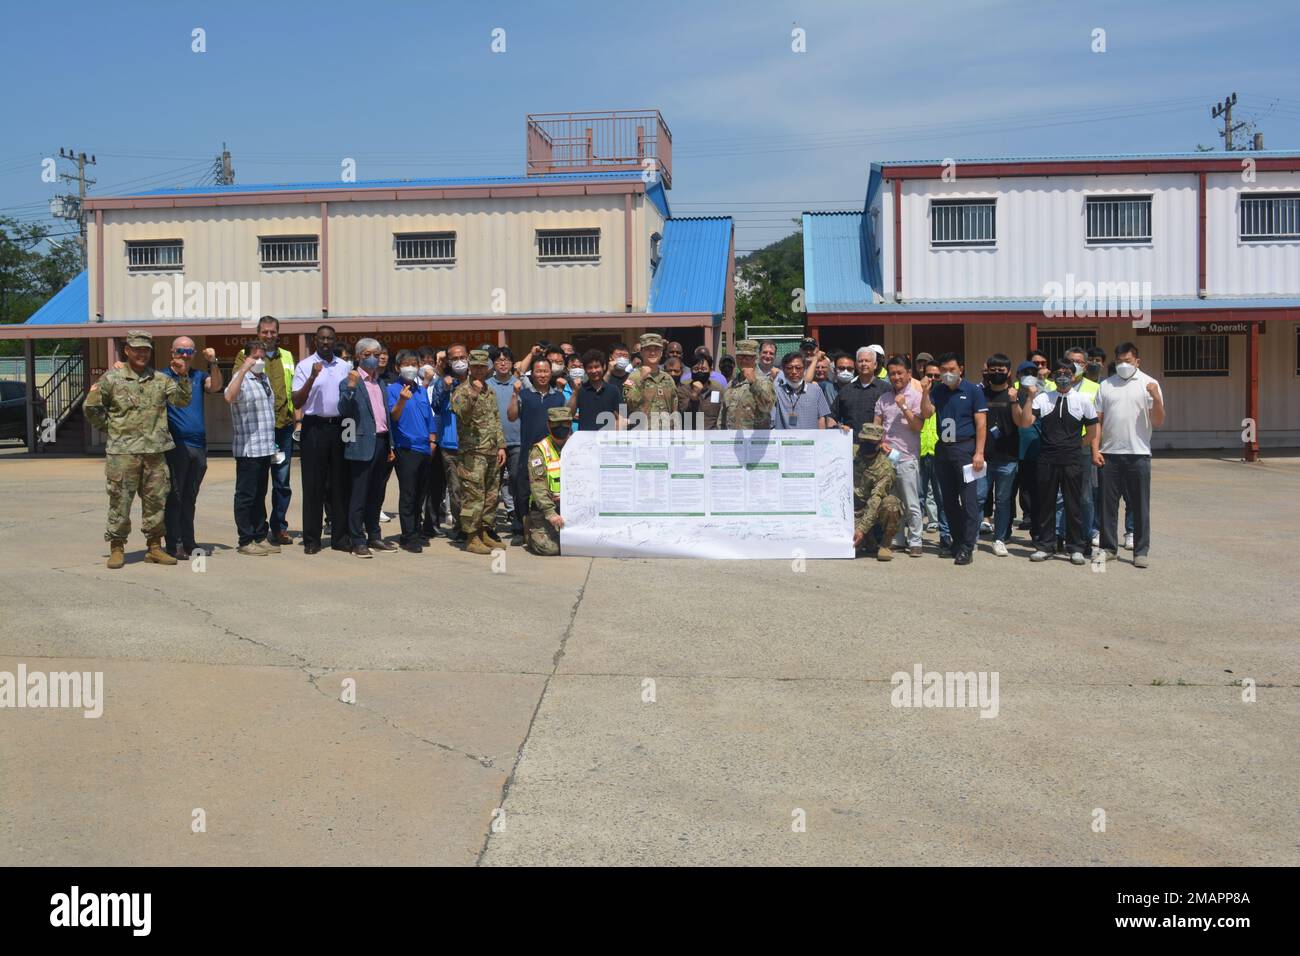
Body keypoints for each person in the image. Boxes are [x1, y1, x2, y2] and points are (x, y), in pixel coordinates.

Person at [84, 329, 191, 569]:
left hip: (154, 453)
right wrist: (111, 429)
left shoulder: (161, 380)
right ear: (127, 350)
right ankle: (117, 547)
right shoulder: (112, 379)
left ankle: (154, 547)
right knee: (120, 502)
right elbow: (91, 407)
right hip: (123, 454)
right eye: (137, 349)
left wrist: (183, 377)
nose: (142, 353)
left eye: (147, 349)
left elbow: (182, 401)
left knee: (155, 502)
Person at [1013, 358, 1100, 564]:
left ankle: (1076, 547)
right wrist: (1030, 398)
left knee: (1073, 504)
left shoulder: (1083, 400)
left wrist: (1077, 445)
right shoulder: (1043, 399)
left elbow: (1093, 431)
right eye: (1059, 372)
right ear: (1053, 375)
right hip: (1046, 459)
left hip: (1072, 460)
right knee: (1045, 503)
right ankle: (1045, 545)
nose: (1063, 376)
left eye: (1067, 373)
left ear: (1074, 375)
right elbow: (1026, 422)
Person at [1095, 342, 1164, 568]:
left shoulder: (1149, 384)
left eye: (1128, 360)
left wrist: (1156, 397)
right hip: (1110, 454)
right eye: (1119, 361)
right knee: (1107, 505)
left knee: (1139, 505)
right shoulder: (1106, 385)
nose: (1123, 365)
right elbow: (1098, 421)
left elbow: (1158, 420)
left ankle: (1141, 551)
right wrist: (1095, 448)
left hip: (1139, 454)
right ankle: (1108, 547)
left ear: (1137, 361)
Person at [233, 316, 295, 545]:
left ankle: (279, 527)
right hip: (258, 431)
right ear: (258, 333)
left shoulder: (287, 356)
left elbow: (291, 389)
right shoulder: (246, 354)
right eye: (265, 332)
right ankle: (253, 532)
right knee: (256, 486)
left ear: (278, 333)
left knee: (281, 482)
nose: (269, 336)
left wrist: (296, 419)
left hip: (283, 427)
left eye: (273, 332)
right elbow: (235, 390)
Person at [920, 352, 987, 566]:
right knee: (948, 501)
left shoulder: (973, 391)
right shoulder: (938, 391)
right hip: (944, 449)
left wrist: (979, 452)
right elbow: (927, 413)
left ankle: (968, 546)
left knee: (968, 501)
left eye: (952, 370)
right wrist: (924, 392)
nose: (948, 374)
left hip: (965, 448)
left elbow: (981, 424)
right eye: (944, 371)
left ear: (961, 369)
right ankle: (957, 542)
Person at [292, 325, 353, 554]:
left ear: (335, 341)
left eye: (329, 339)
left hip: (339, 427)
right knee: (313, 484)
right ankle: (311, 539)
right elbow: (297, 402)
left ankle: (339, 537)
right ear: (315, 341)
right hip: (314, 427)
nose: (326, 342)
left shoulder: (345, 366)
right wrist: (312, 378)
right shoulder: (305, 365)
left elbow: (351, 398)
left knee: (339, 484)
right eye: (321, 339)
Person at [162, 337, 222, 559]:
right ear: (172, 351)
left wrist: (213, 362)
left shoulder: (198, 375)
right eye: (180, 350)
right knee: (175, 496)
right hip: (176, 444)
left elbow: (215, 387)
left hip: (199, 444)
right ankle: (174, 542)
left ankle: (189, 541)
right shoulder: (162, 377)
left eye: (189, 351)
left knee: (190, 496)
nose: (185, 355)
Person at [339, 338, 396, 558]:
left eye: (377, 353)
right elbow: (343, 411)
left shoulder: (379, 382)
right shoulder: (350, 380)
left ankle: (375, 535)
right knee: (359, 495)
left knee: (376, 495)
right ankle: (357, 540)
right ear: (359, 356)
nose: (374, 358)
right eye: (369, 354)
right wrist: (351, 388)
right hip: (362, 444)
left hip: (382, 442)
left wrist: (390, 443)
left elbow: (385, 417)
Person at [224, 340, 280, 556]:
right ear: (246, 357)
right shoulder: (242, 379)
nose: (259, 361)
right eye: (255, 357)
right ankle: (245, 539)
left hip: (265, 448)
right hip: (248, 448)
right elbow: (229, 396)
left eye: (262, 357)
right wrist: (243, 369)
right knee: (246, 495)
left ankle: (259, 535)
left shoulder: (263, 378)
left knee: (260, 495)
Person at [451, 349, 507, 555]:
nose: (479, 370)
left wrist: (501, 446)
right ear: (470, 367)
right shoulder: (461, 390)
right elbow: (462, 414)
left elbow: (496, 420)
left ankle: (484, 532)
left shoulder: (489, 390)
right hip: (472, 453)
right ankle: (471, 537)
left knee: (491, 496)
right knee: (473, 496)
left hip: (491, 451)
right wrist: (473, 393)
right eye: (475, 366)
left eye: (483, 367)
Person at [386, 350, 438, 553]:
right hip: (406, 449)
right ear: (398, 367)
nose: (410, 367)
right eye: (406, 364)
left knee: (420, 494)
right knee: (408, 494)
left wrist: (433, 439)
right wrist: (401, 400)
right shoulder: (393, 389)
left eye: (414, 363)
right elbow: (394, 417)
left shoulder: (421, 390)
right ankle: (408, 536)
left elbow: (429, 417)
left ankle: (416, 529)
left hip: (424, 448)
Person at [874, 355, 926, 557]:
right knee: (893, 502)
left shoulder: (916, 395)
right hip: (887, 459)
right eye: (892, 373)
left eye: (900, 373)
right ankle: (897, 538)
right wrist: (880, 444)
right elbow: (876, 427)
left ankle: (916, 541)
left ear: (908, 374)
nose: (896, 377)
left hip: (907, 458)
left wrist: (904, 406)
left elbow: (917, 426)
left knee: (912, 502)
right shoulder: (883, 399)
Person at [978, 353, 1019, 557]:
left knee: (1003, 501)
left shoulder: (1014, 395)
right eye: (992, 370)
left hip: (1007, 457)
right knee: (978, 497)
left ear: (1008, 372)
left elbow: (1021, 421)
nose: (996, 373)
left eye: (1001, 370)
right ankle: (973, 537)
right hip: (983, 457)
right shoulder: (980, 394)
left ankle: (999, 538)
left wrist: (1015, 401)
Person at [431, 343, 468, 541]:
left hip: (474, 445)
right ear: (448, 361)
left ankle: (476, 526)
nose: (459, 361)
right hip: (451, 444)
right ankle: (460, 527)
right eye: (454, 358)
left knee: (475, 488)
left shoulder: (476, 381)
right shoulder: (443, 382)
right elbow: (436, 406)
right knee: (455, 489)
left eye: (462, 357)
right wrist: (445, 388)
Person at [485, 347, 523, 538]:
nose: (502, 363)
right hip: (491, 443)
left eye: (506, 360)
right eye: (498, 360)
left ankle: (517, 521)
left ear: (511, 363)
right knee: (492, 484)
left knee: (516, 480)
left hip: (516, 442)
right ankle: (488, 525)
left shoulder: (520, 384)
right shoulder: (485, 385)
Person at [524, 407, 573, 556]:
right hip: (545, 511)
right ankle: (531, 531)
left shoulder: (579, 446)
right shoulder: (539, 451)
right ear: (548, 425)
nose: (560, 428)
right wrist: (550, 513)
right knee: (550, 549)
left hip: (571, 508)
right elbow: (537, 486)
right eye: (556, 425)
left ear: (571, 425)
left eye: (565, 424)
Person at [852, 423, 903, 561]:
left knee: (891, 504)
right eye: (864, 440)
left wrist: (862, 529)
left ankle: (885, 544)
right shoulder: (850, 452)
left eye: (871, 441)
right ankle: (869, 542)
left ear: (880, 443)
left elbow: (875, 500)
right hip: (850, 509)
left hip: (872, 510)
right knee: (847, 549)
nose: (867, 444)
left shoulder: (885, 467)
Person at [623, 332, 678, 429]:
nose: (652, 353)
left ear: (661, 352)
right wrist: (641, 379)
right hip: (642, 435)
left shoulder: (668, 378)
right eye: (648, 349)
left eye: (656, 349)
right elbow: (628, 402)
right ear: (641, 352)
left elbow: (674, 408)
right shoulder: (633, 377)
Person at [832, 346, 889, 440]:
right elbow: (832, 416)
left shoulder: (886, 389)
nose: (864, 364)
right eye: (860, 361)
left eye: (867, 361)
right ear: (856, 365)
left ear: (875, 365)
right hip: (850, 445)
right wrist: (837, 428)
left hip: (878, 446)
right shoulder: (846, 390)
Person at [720, 340, 775, 428]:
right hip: (731, 439)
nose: (743, 361)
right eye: (740, 357)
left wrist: (754, 384)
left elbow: (767, 407)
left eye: (748, 357)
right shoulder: (731, 384)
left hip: (755, 439)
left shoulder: (764, 381)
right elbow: (723, 415)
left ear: (755, 359)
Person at [917, 361, 944, 536]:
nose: (933, 379)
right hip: (918, 452)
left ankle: (945, 533)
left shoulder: (946, 396)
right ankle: (916, 535)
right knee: (918, 497)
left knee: (941, 496)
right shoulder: (915, 394)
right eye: (930, 375)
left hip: (939, 452)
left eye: (936, 376)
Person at [773, 350, 831, 429]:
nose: (794, 372)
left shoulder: (816, 390)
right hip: (785, 440)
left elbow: (821, 418)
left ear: (804, 369)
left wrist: (821, 439)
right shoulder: (776, 391)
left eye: (798, 368)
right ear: (783, 370)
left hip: (810, 440)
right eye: (789, 368)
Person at [572, 348, 622, 431]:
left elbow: (622, 416)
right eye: (590, 367)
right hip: (585, 438)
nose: (594, 371)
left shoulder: (613, 390)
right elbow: (569, 414)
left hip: (607, 438)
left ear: (604, 366)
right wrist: (575, 392)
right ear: (585, 369)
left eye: (597, 367)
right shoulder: (580, 390)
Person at [678, 350, 725, 430]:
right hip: (691, 436)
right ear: (691, 371)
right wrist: (694, 396)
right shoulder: (683, 390)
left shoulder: (717, 390)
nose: (699, 372)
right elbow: (685, 414)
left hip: (711, 437)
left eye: (703, 369)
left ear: (710, 371)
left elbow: (721, 415)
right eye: (696, 369)